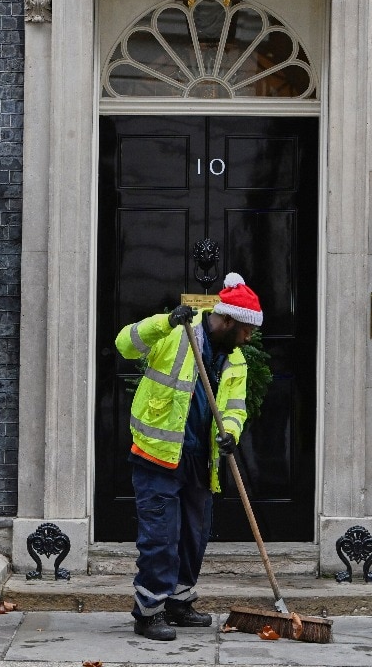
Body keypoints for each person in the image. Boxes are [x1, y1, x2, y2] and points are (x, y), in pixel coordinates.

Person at [114, 272, 263, 641]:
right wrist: (165, 321)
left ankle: (179, 602)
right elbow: (125, 343)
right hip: (157, 455)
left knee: (192, 537)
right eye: (245, 330)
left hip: (201, 460)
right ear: (227, 320)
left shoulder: (236, 360)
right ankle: (148, 611)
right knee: (160, 538)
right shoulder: (176, 334)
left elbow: (235, 408)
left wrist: (230, 432)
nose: (249, 337)